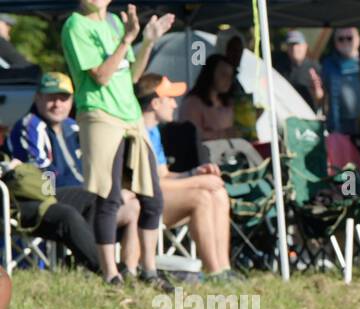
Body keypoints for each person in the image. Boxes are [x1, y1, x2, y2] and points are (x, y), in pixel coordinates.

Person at [61, 0, 173, 288]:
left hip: (131, 116)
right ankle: (111, 274)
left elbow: (132, 76)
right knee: (109, 198)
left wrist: (147, 42)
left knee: (153, 198)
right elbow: (101, 75)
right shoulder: (76, 25)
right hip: (100, 115)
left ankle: (149, 271)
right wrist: (126, 40)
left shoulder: (112, 21)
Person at [5, 70, 141, 274]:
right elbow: (42, 172)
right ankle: (106, 270)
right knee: (89, 203)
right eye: (51, 97)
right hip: (37, 196)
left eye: (63, 98)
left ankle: (132, 269)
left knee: (128, 205)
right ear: (38, 97)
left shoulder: (73, 126)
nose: (57, 104)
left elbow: (93, 164)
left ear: (72, 100)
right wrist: (62, 193)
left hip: (75, 193)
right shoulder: (31, 125)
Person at [137, 74, 233, 279]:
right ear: (155, 103)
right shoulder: (138, 133)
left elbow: (164, 175)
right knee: (202, 196)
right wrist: (197, 181)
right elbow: (151, 185)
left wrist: (193, 173)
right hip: (144, 206)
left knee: (219, 194)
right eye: (169, 99)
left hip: (161, 197)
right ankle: (213, 271)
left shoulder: (154, 132)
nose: (174, 104)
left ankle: (224, 269)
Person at [179, 53, 239, 142]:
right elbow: (190, 135)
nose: (228, 80)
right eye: (223, 75)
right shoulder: (192, 103)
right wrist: (223, 134)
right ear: (210, 73)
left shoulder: (227, 103)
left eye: (230, 76)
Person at [320, 27, 360, 140]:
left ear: (358, 39)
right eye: (340, 39)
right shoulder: (327, 64)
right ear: (335, 42)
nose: (345, 41)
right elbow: (323, 97)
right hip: (338, 128)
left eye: (349, 38)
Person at [275, 30, 325, 113]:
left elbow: (323, 98)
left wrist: (318, 93)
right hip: (286, 115)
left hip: (309, 117)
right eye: (291, 45)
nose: (294, 48)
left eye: (297, 44)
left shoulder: (315, 68)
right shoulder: (280, 68)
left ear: (305, 46)